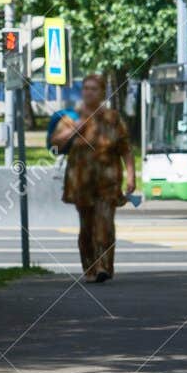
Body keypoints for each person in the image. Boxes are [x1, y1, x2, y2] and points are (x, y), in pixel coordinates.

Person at [53, 73, 135, 283]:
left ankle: (103, 267)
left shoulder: (112, 118)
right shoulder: (70, 117)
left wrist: (131, 177)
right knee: (86, 227)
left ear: (102, 93)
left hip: (108, 181)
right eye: (86, 88)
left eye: (94, 89)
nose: (89, 92)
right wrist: (73, 130)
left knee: (105, 224)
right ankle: (89, 268)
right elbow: (56, 145)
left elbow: (125, 149)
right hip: (81, 182)